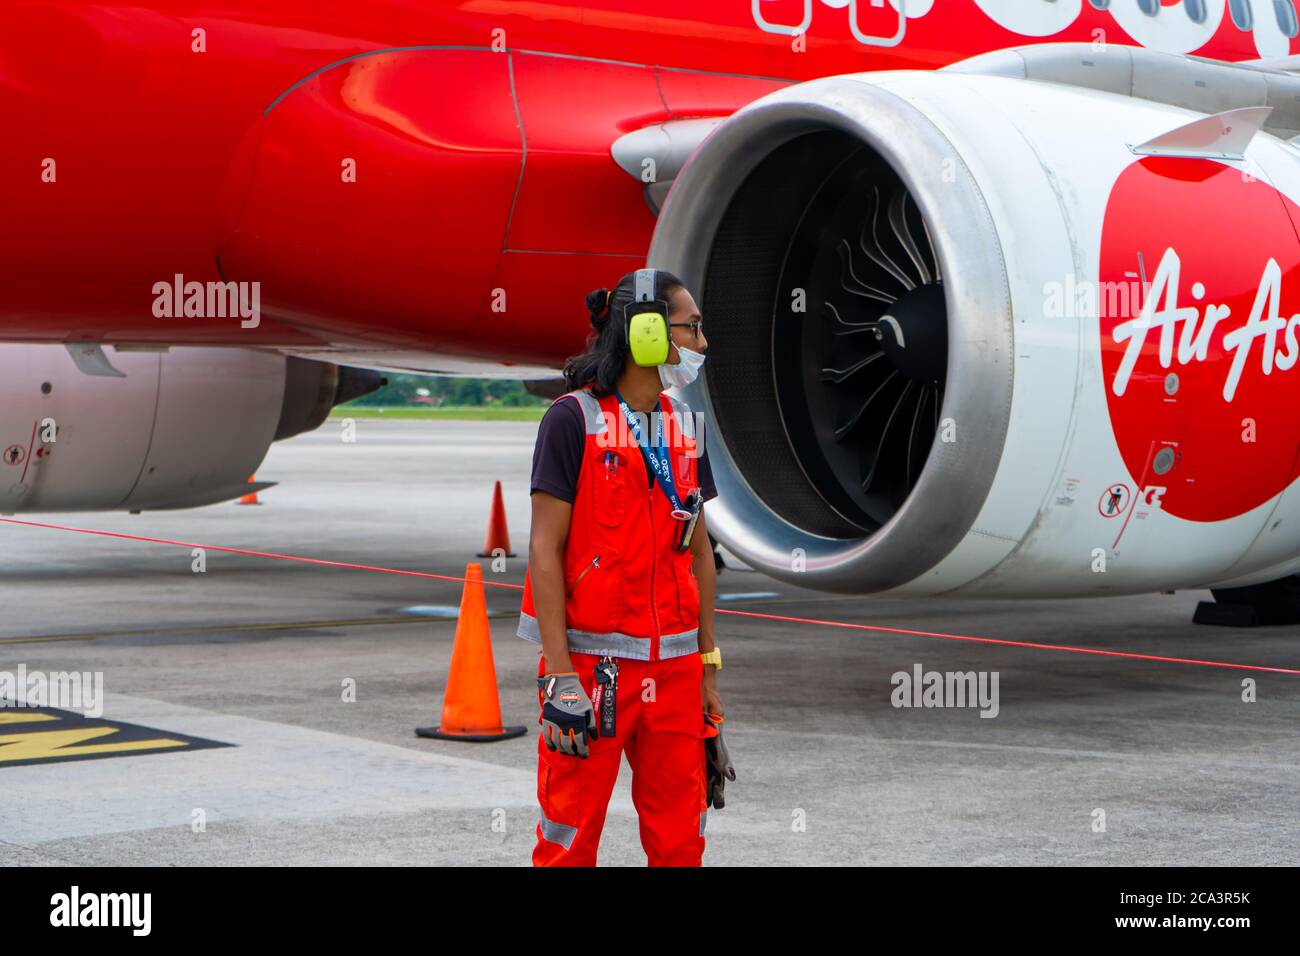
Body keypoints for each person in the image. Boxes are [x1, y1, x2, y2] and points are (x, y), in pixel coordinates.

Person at [515, 268, 730, 866]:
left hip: (679, 674)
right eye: (693, 328)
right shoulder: (571, 420)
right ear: (648, 334)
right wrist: (558, 677)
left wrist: (707, 668)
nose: (702, 344)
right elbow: (543, 552)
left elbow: (699, 557)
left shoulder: (687, 427)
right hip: (592, 675)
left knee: (680, 840)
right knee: (568, 839)